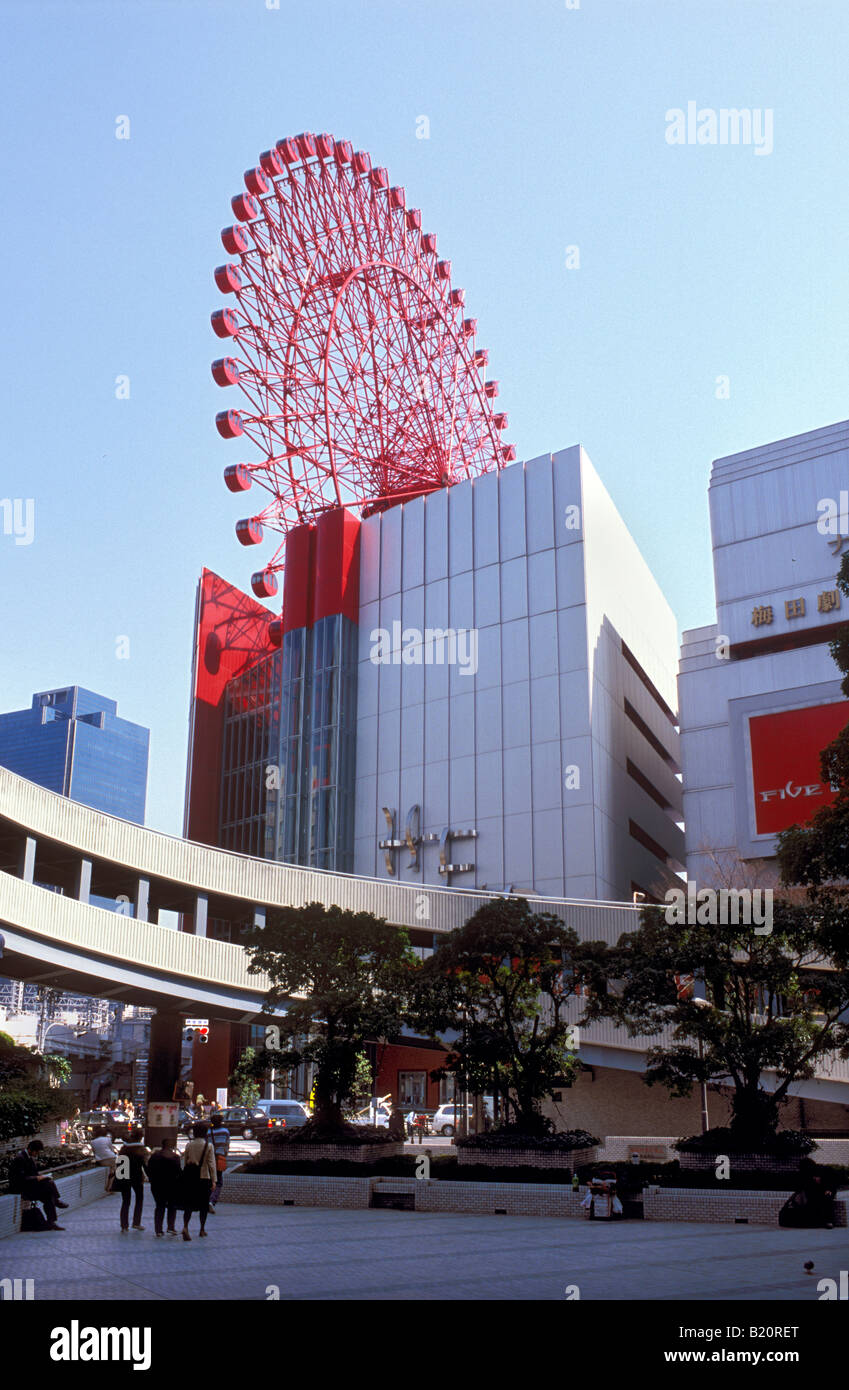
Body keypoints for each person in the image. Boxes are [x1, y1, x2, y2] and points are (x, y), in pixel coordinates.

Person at [8, 1140, 69, 1230]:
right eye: (37, 1152)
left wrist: (40, 1177)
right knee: (49, 1185)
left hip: (30, 1186)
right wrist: (36, 1178)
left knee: (48, 1195)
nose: (37, 1154)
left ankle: (51, 1222)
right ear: (31, 1150)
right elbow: (20, 1179)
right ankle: (56, 1202)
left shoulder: (29, 1158)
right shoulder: (20, 1158)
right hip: (22, 1188)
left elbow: (34, 1173)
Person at [181, 1122, 216, 1240]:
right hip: (204, 1178)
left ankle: (185, 1226)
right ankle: (202, 1229)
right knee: (203, 1205)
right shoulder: (209, 1146)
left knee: (189, 1204)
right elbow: (211, 1164)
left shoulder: (189, 1145)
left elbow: (185, 1162)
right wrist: (214, 1180)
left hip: (190, 1178)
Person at [115, 1126, 150, 1233]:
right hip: (137, 1176)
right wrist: (150, 1176)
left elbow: (119, 1163)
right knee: (139, 1199)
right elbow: (146, 1165)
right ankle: (136, 1223)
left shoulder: (124, 1148)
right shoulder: (142, 1149)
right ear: (141, 1137)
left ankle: (124, 1225)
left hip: (125, 1176)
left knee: (126, 1201)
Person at [147, 1137, 182, 1237]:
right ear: (171, 1146)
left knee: (159, 1206)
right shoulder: (175, 1157)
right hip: (172, 1185)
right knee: (172, 1206)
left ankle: (158, 1230)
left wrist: (152, 1180)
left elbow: (149, 1170)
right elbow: (179, 1172)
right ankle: (170, 1227)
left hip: (157, 1185)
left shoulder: (154, 1156)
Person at [208, 1112, 230, 1208]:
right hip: (220, 1157)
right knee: (219, 1181)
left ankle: (207, 1199)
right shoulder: (225, 1131)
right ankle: (212, 1201)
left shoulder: (208, 1133)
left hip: (209, 1158)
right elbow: (227, 1145)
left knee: (210, 1180)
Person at [91, 1127, 120, 1192]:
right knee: (114, 1170)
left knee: (112, 1170)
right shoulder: (108, 1139)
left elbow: (95, 1152)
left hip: (101, 1160)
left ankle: (109, 1186)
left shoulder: (92, 1142)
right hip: (111, 1158)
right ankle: (109, 1187)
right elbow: (111, 1149)